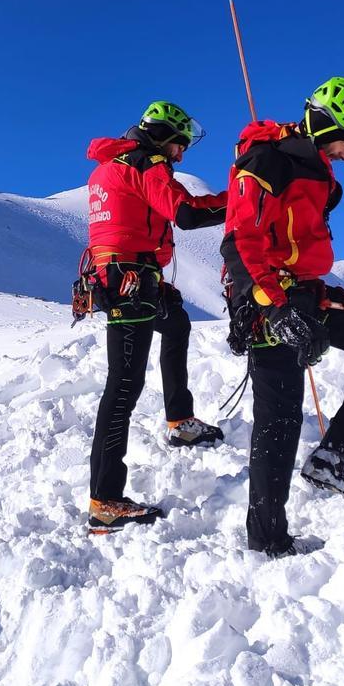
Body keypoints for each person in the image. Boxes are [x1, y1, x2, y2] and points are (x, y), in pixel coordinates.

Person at [221, 76, 344, 558]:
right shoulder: (266, 161)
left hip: (307, 297)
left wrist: (314, 294)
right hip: (269, 304)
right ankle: (268, 541)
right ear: (328, 127)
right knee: (280, 420)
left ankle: (337, 456)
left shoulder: (314, 168)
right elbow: (240, 243)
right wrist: (275, 307)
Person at [85, 100, 229, 535]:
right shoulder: (147, 163)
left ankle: (180, 421)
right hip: (131, 279)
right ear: (164, 138)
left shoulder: (109, 166)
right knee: (123, 385)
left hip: (120, 274)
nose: (181, 156)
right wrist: (240, 202)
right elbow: (185, 214)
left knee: (177, 323)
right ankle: (105, 501)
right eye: (179, 146)